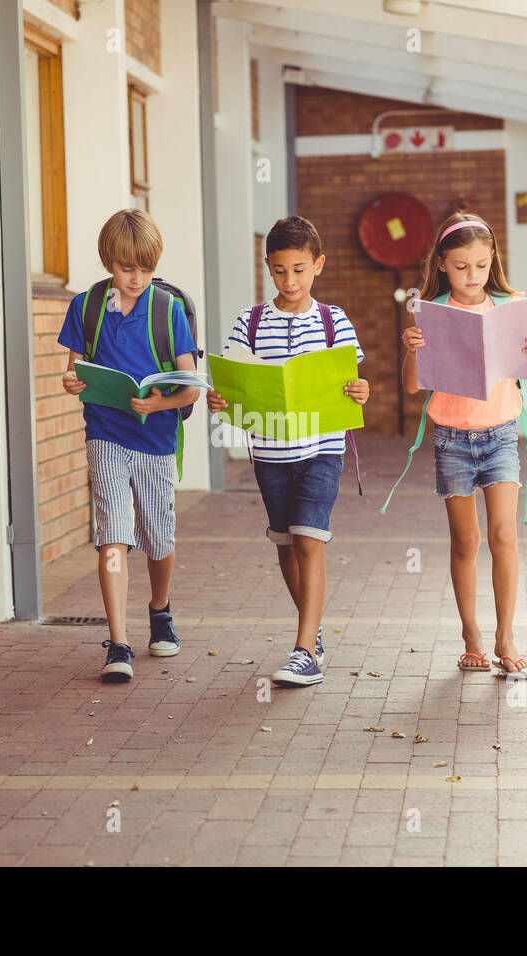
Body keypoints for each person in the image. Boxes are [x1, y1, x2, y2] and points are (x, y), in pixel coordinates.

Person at [206, 216, 369, 686]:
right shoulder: (249, 321)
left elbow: (354, 381)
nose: (290, 281)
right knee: (284, 542)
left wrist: (361, 391)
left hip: (322, 447)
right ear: (267, 268)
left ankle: (304, 652)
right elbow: (232, 384)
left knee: (308, 539)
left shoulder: (333, 320)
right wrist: (221, 399)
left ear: (318, 265)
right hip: (270, 450)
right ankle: (311, 632)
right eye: (279, 271)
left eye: (299, 269)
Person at [400, 212, 527, 678]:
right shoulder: (431, 312)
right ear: (442, 263)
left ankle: (506, 635)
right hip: (451, 439)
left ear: (493, 263)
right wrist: (411, 350)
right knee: (465, 540)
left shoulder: (511, 307)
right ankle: (472, 635)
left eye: (482, 265)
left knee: (504, 535)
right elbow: (410, 388)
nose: (473, 275)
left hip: (501, 434)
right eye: (462, 265)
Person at [58, 209, 201, 682]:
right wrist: (72, 383)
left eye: (145, 268)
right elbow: (76, 370)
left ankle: (159, 609)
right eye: (126, 268)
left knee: (159, 535)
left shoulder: (168, 310)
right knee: (112, 531)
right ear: (108, 262)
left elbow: (191, 388)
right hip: (106, 434)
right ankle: (118, 642)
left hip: (155, 438)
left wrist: (159, 404)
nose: (136, 278)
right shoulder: (86, 307)